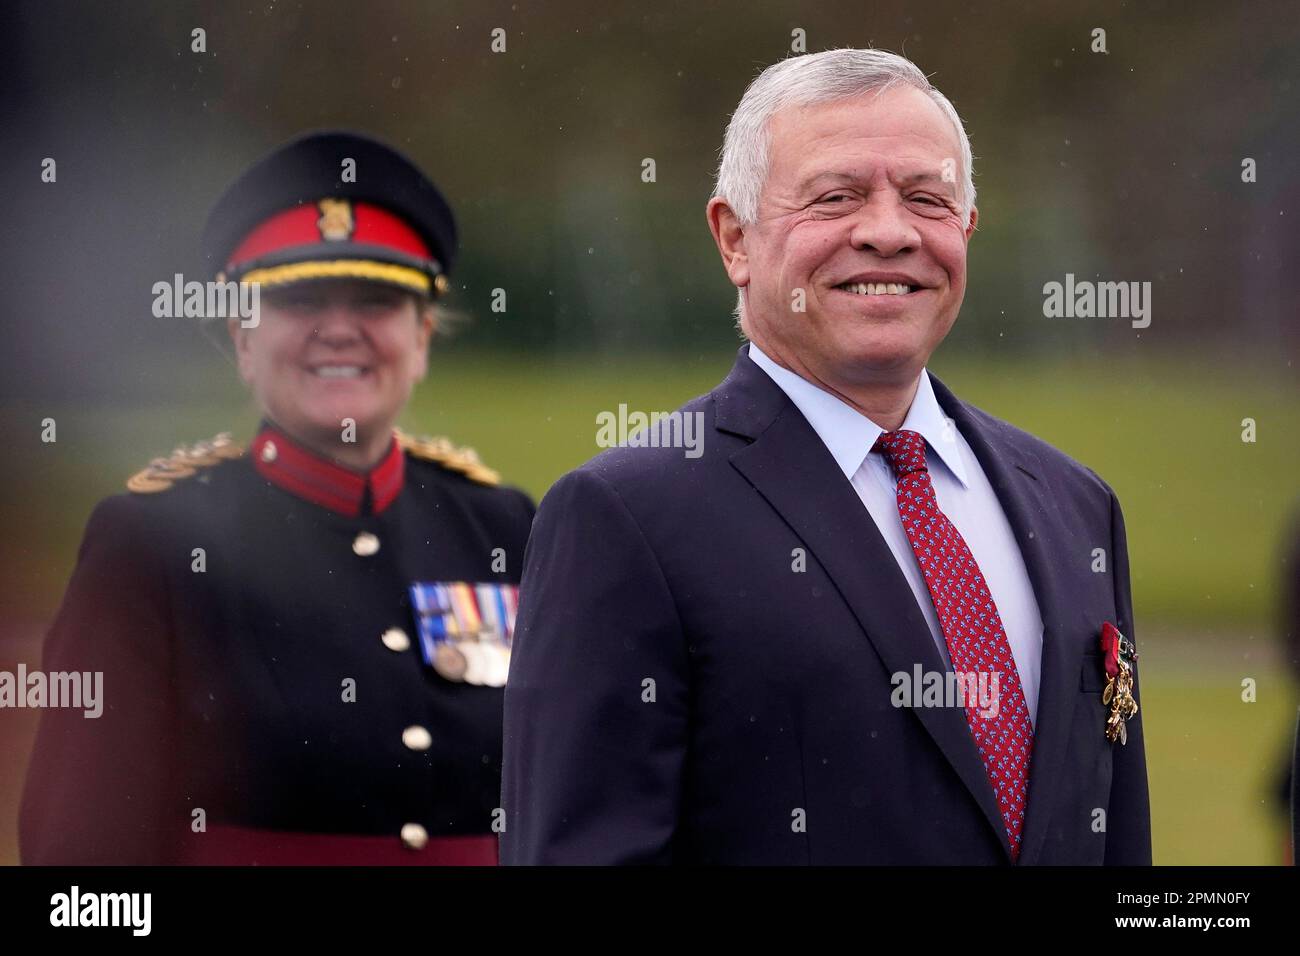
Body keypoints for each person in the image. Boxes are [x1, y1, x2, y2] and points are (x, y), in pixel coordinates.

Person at [501, 49, 1151, 865]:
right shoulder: (626, 518)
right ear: (735, 239)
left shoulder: (1075, 504)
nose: (888, 231)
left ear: (966, 230)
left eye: (926, 198)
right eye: (835, 197)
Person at [21, 130, 534, 865]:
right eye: (298, 299)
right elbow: (81, 870)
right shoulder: (152, 546)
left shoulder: (503, 526)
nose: (337, 330)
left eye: (376, 300)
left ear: (421, 336)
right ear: (242, 338)